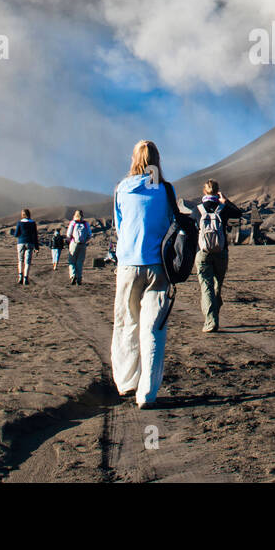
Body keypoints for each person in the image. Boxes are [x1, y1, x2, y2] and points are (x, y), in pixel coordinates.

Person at [111, 140, 174, 409]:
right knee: (153, 329)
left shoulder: (122, 189)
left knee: (127, 323)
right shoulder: (166, 190)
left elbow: (119, 225)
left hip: (128, 265)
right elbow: (173, 224)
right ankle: (147, 393)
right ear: (157, 159)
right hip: (158, 266)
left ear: (134, 158)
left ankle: (126, 382)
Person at [194, 179, 240, 333]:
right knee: (216, 287)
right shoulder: (223, 208)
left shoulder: (198, 209)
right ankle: (215, 316)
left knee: (206, 288)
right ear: (218, 191)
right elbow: (239, 213)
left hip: (203, 253)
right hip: (221, 253)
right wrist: (225, 201)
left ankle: (210, 321)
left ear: (204, 191)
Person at [65, 210, 92, 285]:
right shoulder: (86, 224)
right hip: (83, 244)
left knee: (72, 261)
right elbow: (90, 235)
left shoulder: (73, 223)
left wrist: (68, 242)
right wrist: (85, 241)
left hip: (74, 243)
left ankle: (73, 275)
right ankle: (79, 278)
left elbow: (68, 234)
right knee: (80, 261)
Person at [14, 209, 39, 285]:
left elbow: (16, 234)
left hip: (21, 242)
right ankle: (26, 278)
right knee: (27, 261)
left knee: (20, 260)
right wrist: (37, 247)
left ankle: (20, 276)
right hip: (30, 243)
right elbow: (35, 236)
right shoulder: (33, 223)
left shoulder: (20, 223)